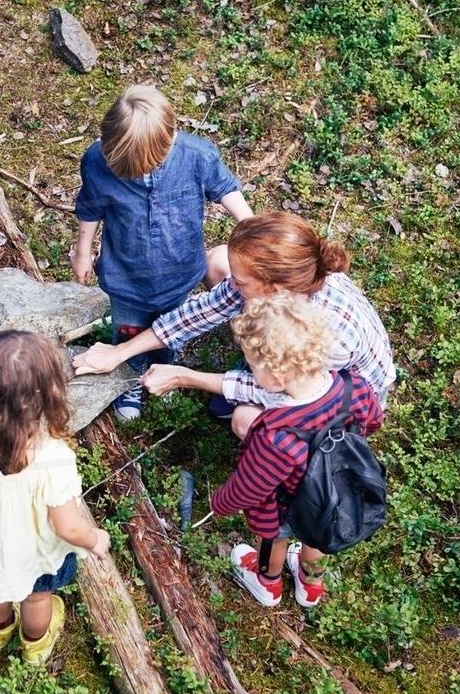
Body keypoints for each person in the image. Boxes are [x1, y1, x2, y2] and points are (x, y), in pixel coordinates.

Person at [73, 212, 395, 433]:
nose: (232, 285)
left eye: (241, 281)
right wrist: (121, 352)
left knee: (243, 419)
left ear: (275, 289)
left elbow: (281, 391)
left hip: (335, 401)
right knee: (215, 262)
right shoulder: (286, 284)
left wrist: (187, 377)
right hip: (290, 361)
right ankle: (256, 358)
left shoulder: (329, 336)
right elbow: (196, 314)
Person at [0, 330, 111, 665]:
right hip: (36, 552)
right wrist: (94, 539)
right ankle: (35, 645)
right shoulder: (54, 458)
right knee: (37, 597)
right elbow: (68, 527)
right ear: (49, 395)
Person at [71, 84, 253, 421]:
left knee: (171, 326)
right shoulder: (97, 162)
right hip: (125, 276)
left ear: (168, 140)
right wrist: (83, 251)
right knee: (128, 330)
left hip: (180, 272)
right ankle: (131, 378)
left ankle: (163, 369)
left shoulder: (197, 156)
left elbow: (226, 189)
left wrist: (253, 226)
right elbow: (90, 207)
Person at [210, 294, 383, 607]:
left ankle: (268, 583)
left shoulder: (276, 434)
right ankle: (311, 585)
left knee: (275, 536)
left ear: (275, 377)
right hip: (336, 493)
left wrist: (221, 503)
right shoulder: (354, 386)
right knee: (318, 533)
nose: (250, 371)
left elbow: (251, 486)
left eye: (252, 365)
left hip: (288, 503)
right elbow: (372, 421)